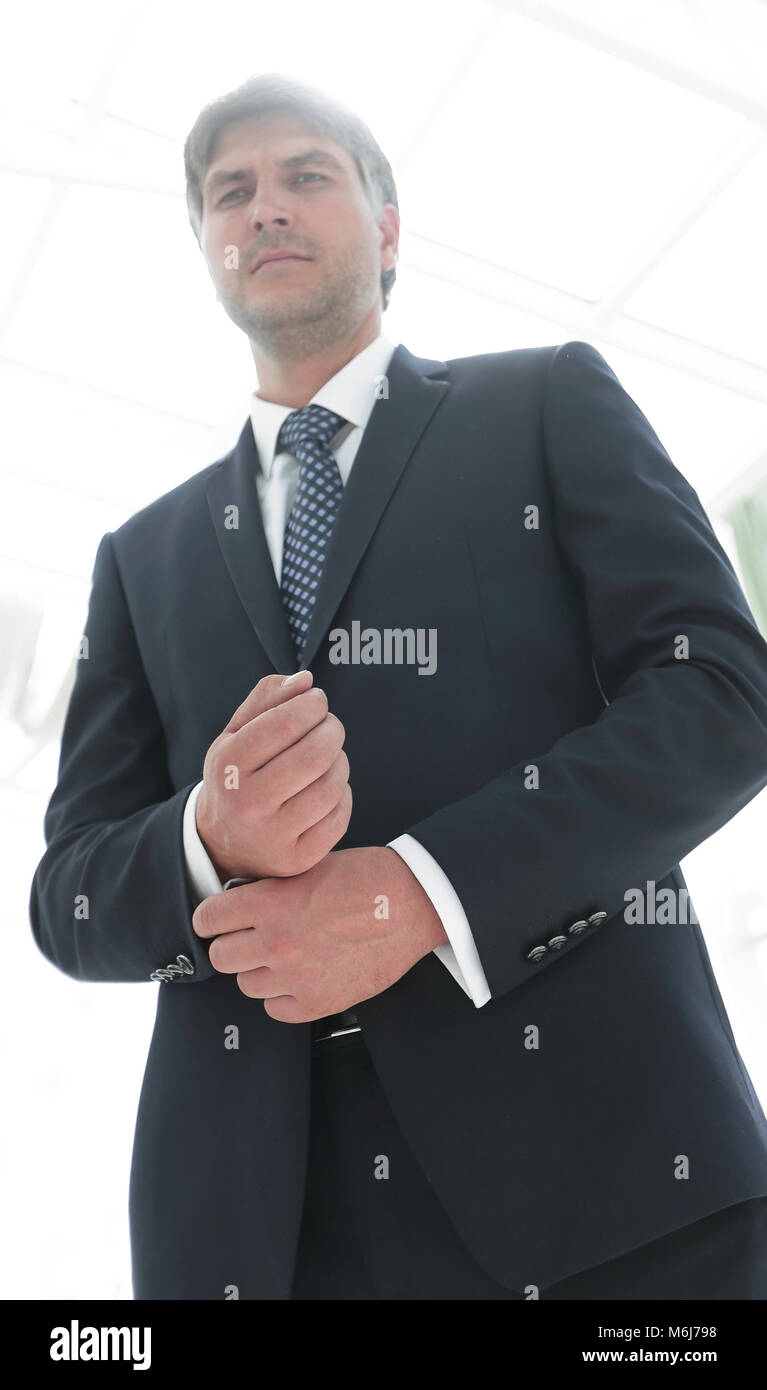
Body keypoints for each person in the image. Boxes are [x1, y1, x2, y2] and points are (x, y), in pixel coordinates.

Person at [30, 72, 767, 1300]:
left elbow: (720, 693)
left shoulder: (543, 402)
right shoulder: (137, 559)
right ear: (206, 249)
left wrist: (421, 893)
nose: (263, 206)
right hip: (261, 1239)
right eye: (231, 192)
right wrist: (205, 839)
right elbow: (69, 894)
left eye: (305, 174)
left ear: (384, 227)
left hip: (610, 1195)